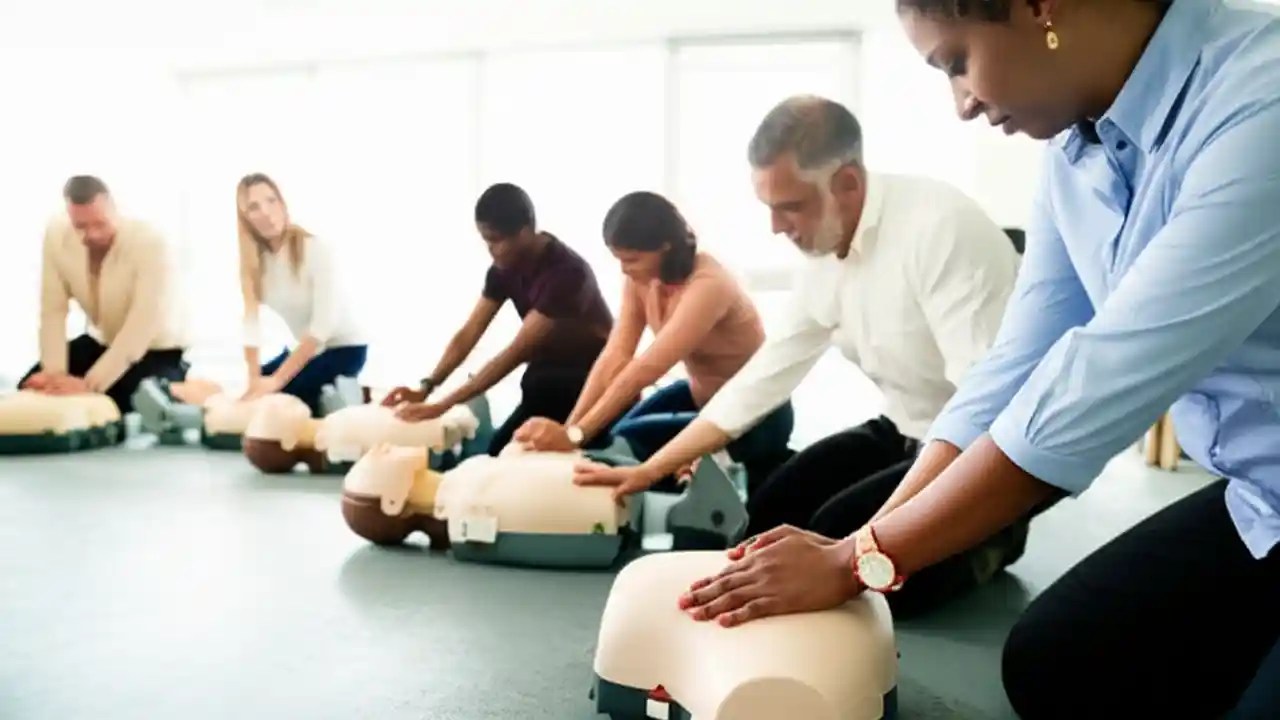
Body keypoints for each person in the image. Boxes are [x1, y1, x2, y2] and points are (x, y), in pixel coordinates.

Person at [677, 1, 1280, 718]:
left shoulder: (1260, 103)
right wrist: (869, 547)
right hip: (1261, 496)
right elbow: (1014, 363)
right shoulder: (1076, 150)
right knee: (1052, 666)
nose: (962, 105)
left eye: (957, 62)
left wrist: (860, 557)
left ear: (1041, 7)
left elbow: (1097, 382)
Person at [574, 96, 1024, 617]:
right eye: (768, 207)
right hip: (901, 429)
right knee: (764, 524)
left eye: (790, 206)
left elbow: (985, 409)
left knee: (868, 574)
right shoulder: (821, 259)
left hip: (974, 451)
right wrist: (647, 471)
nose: (776, 226)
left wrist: (864, 547)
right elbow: (757, 383)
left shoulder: (940, 228)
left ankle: (997, 533)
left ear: (848, 184)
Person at [515, 191, 794, 489]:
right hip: (702, 398)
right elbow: (615, 355)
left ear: (665, 246)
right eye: (619, 259)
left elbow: (645, 370)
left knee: (630, 443)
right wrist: (569, 428)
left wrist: (576, 436)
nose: (624, 269)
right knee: (617, 436)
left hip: (758, 417)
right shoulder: (641, 280)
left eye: (632, 259)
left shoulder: (709, 285)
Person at [383, 183, 614, 455]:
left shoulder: (567, 274)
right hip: (544, 382)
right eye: (486, 240)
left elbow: (515, 353)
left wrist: (441, 406)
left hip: (588, 387)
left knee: (504, 460)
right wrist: (427, 386)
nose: (492, 250)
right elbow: (469, 332)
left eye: (497, 240)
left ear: (526, 231)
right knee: (498, 455)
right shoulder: (503, 269)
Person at [20, 176, 189, 412]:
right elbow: (52, 313)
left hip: (156, 353)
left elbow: (140, 327)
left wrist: (90, 385)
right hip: (101, 344)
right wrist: (54, 376)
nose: (92, 235)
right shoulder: (57, 236)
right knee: (31, 389)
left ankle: (192, 388)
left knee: (128, 401)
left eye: (100, 224)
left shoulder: (150, 242)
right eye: (81, 227)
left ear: (114, 209)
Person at [236, 173, 368, 414]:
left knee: (277, 395)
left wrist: (276, 381)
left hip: (343, 349)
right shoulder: (255, 265)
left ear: (282, 204)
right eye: (254, 207)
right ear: (246, 219)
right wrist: (254, 378)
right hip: (307, 353)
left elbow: (322, 327)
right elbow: (251, 324)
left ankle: (350, 397)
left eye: (271, 200)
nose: (265, 212)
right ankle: (327, 395)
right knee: (250, 395)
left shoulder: (315, 248)